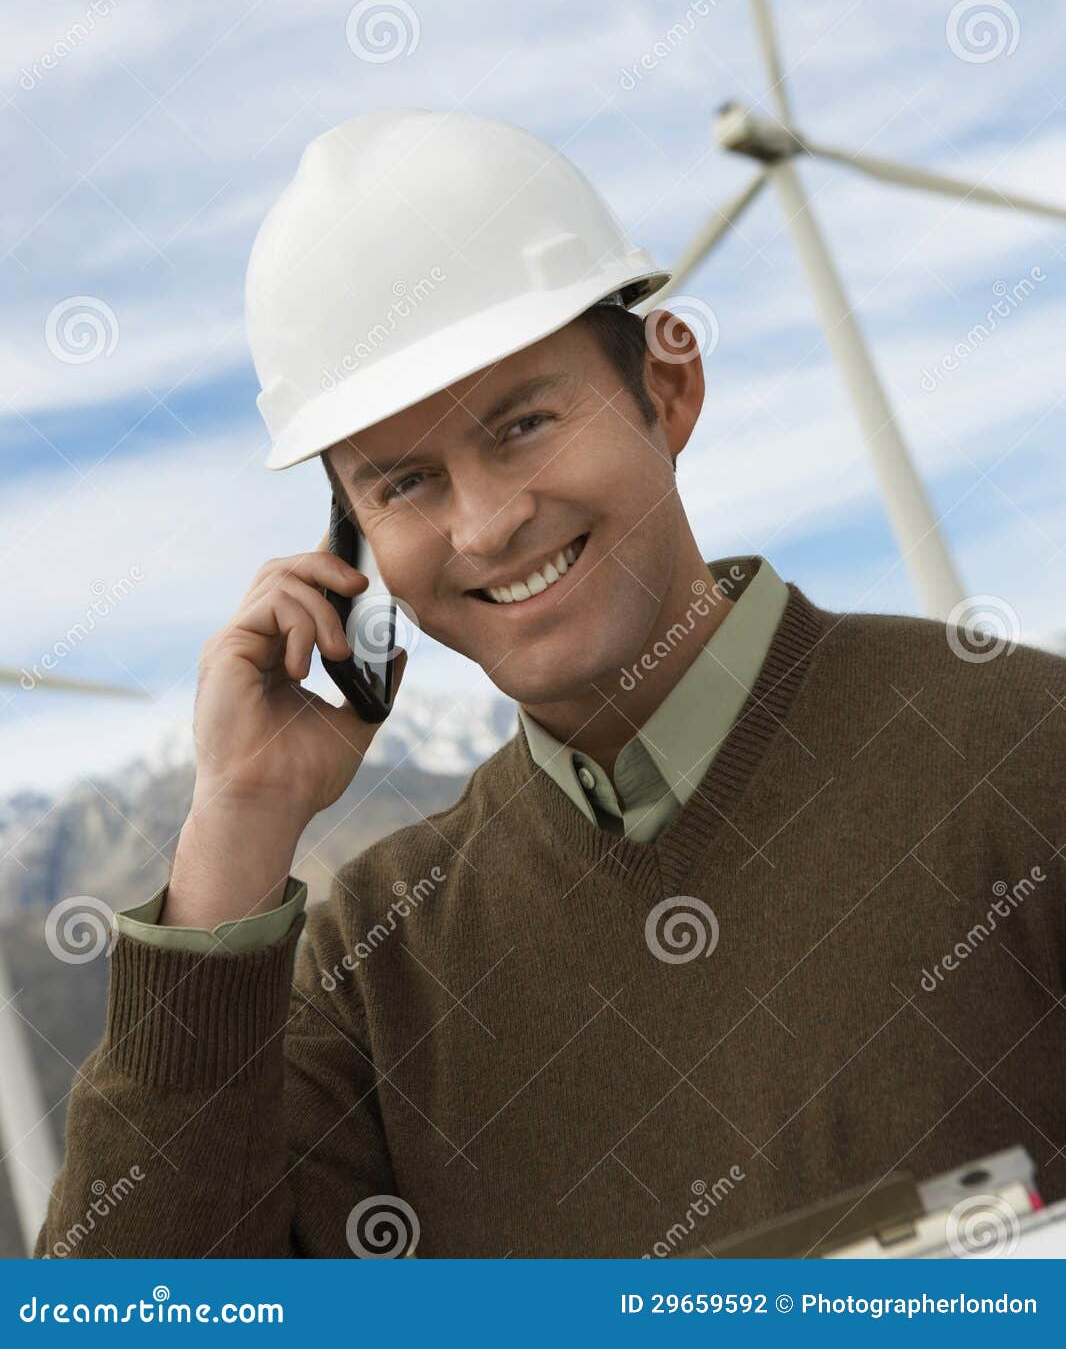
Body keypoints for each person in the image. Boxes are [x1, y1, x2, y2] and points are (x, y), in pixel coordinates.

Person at [35, 109, 1066, 1260]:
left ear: (667, 389)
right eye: (405, 483)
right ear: (351, 549)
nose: (485, 523)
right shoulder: (378, 963)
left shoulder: (1030, 754)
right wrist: (235, 827)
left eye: (523, 424)